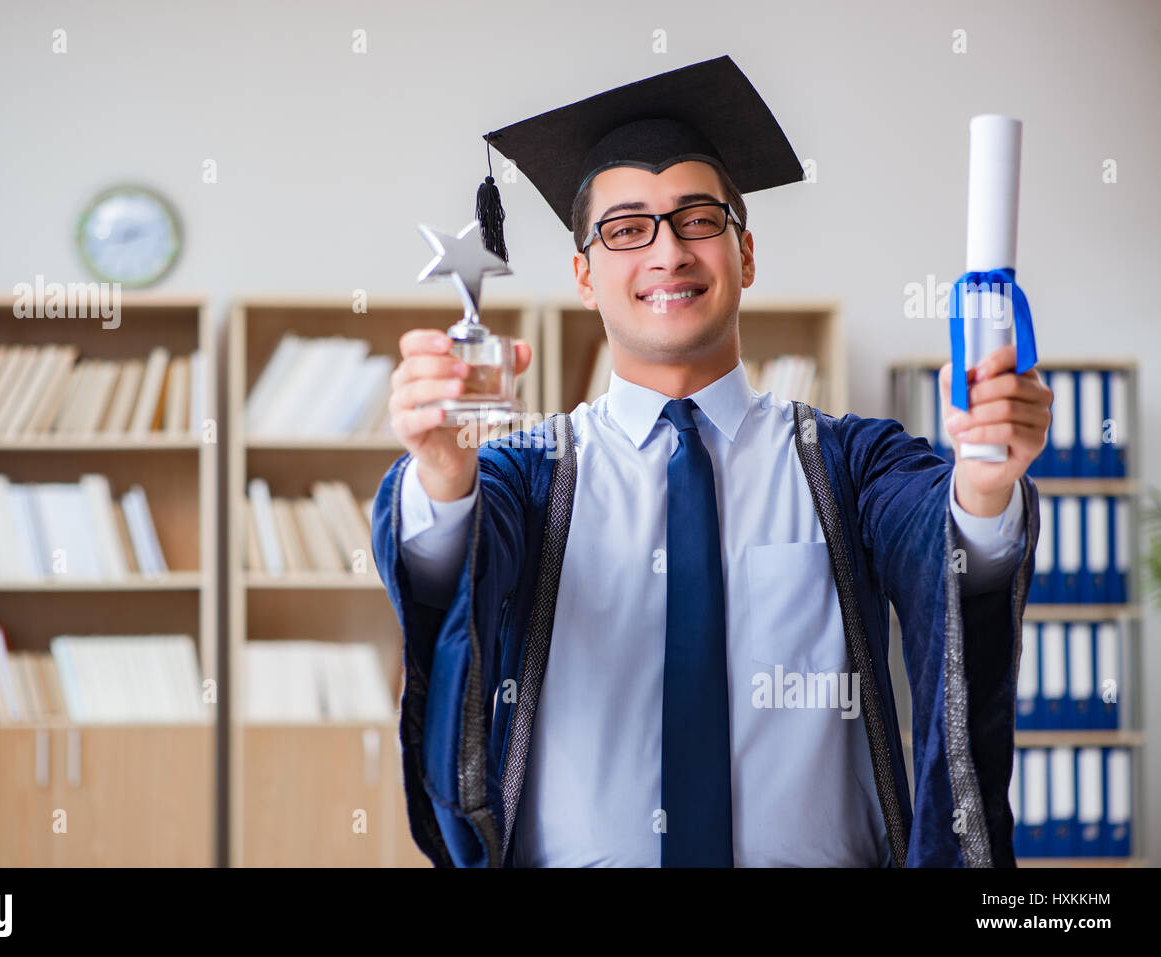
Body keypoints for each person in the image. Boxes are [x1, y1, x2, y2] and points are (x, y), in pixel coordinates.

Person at [371, 54, 1052, 867]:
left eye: (698, 218)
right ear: (586, 275)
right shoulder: (527, 478)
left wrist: (983, 479)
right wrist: (445, 475)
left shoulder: (848, 464)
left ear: (746, 254)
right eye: (626, 229)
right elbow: (458, 570)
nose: (667, 252)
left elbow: (942, 539)